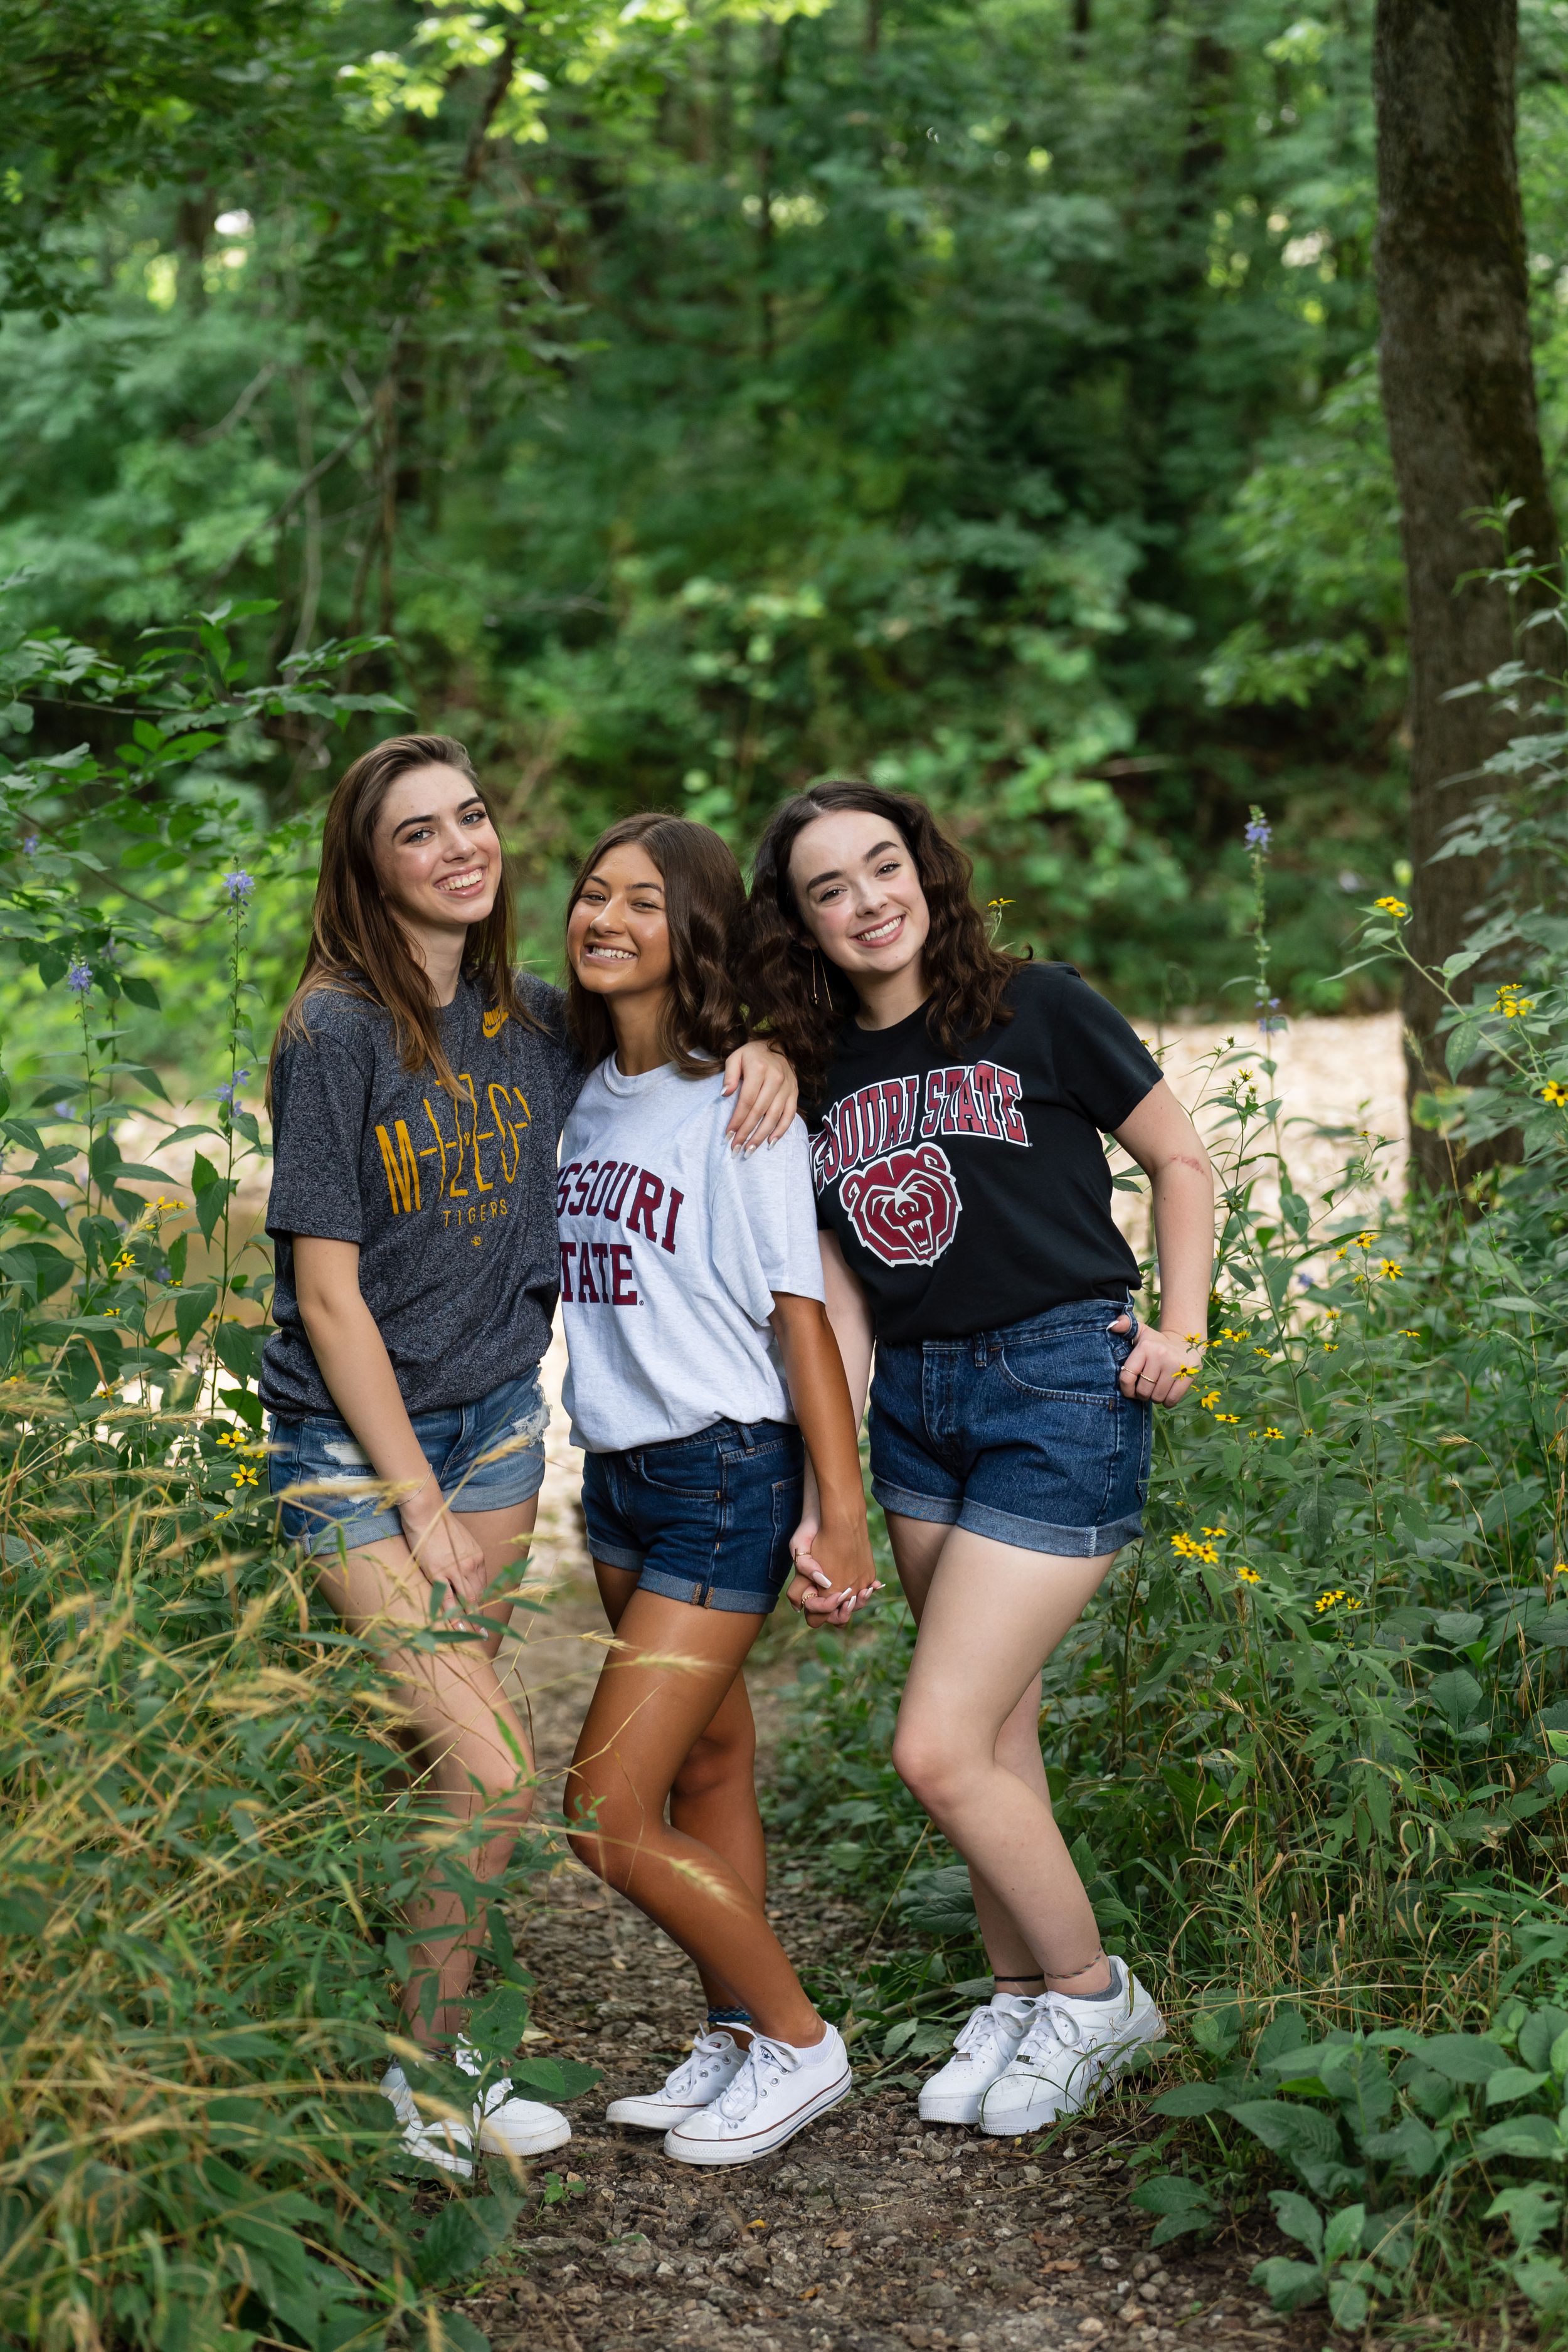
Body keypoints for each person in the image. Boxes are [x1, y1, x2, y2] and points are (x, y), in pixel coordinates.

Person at [261, 734, 798, 2177]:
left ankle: (434, 2067)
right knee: (492, 1770)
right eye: (416, 832)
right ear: (368, 868)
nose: (459, 847)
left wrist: (762, 1047)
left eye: (473, 817)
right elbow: (326, 1292)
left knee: (448, 1773)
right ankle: (415, 2089)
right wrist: (411, 1503)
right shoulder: (336, 1032)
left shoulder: (539, 1022)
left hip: (498, 1435)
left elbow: (668, 1040)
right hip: (351, 1450)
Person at [742, 780, 1215, 2136]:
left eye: (880, 867)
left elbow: (1178, 1160)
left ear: (926, 870)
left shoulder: (1039, 1005)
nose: (864, 901)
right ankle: (1015, 1991)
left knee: (936, 1745)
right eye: (827, 888)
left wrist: (1182, 1327)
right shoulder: (813, 1067)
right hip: (915, 1407)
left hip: (1061, 1379)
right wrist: (827, 1490)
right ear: (802, 922)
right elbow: (831, 1291)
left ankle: (1089, 1993)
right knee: (997, 1732)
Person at [558, 812, 876, 2167]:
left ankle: (801, 2041)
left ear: (691, 935)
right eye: (589, 892)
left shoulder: (738, 1105)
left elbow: (798, 1317)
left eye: (642, 900)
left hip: (721, 1471)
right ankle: (739, 2033)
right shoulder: (572, 1092)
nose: (605, 917)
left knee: (602, 1814)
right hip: (619, 1472)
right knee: (706, 1761)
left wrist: (839, 1506)